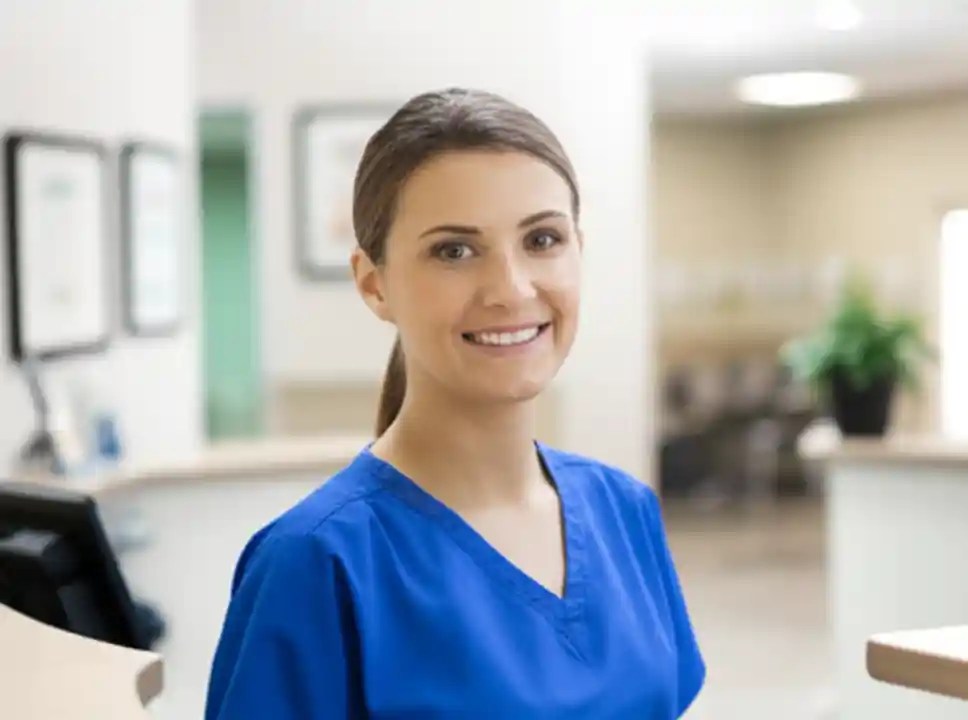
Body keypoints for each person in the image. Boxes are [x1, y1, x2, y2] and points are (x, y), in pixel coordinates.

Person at [205, 88, 705, 719]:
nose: (511, 289)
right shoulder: (315, 563)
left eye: (542, 240)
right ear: (373, 283)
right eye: (454, 251)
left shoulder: (623, 512)